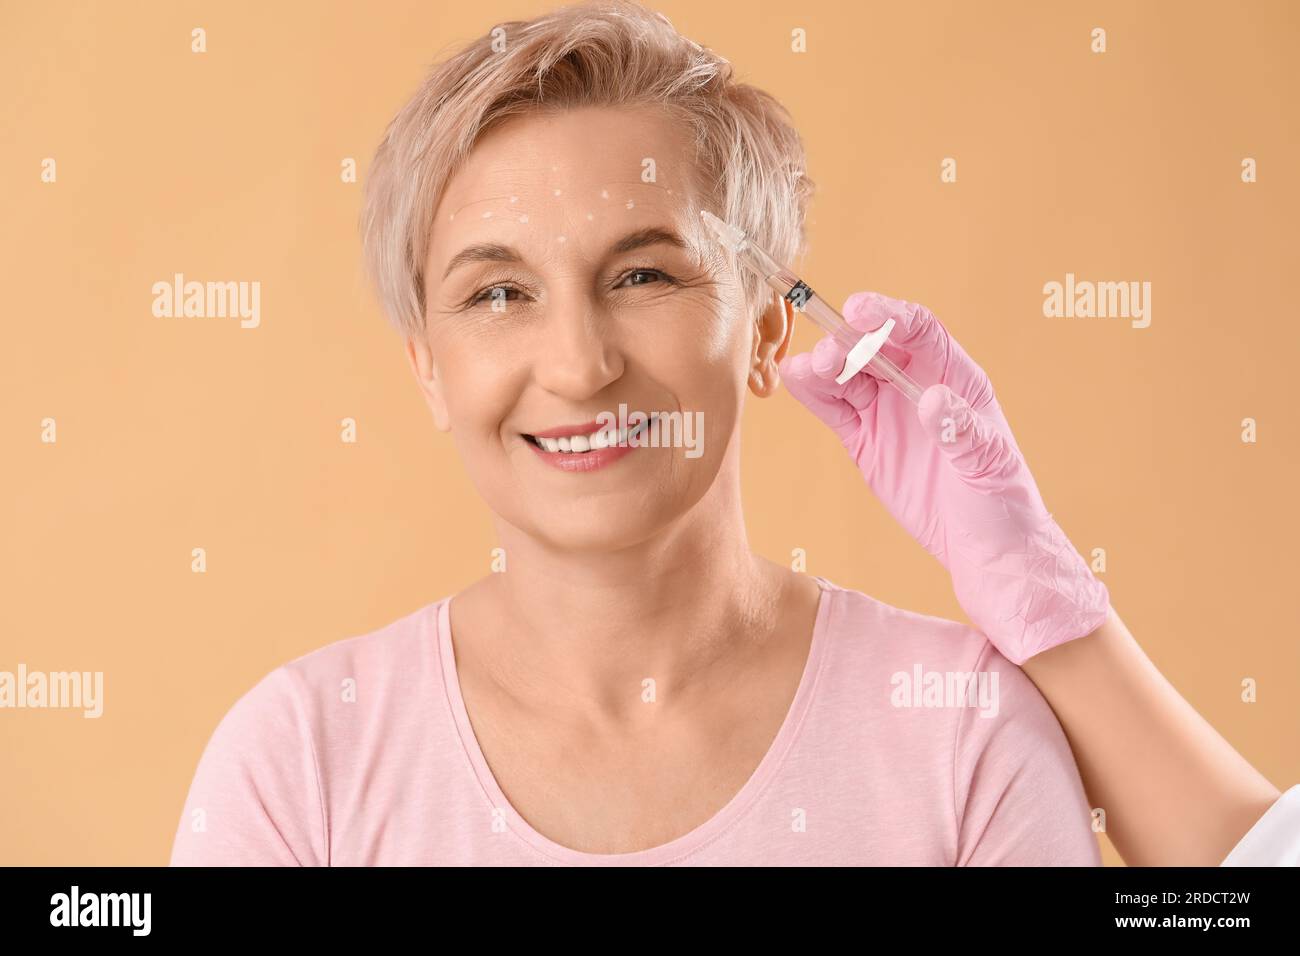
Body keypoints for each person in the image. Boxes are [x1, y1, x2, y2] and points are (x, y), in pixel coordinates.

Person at [169, 0, 1290, 866]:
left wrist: (1058, 622)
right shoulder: (300, 759)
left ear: (763, 328)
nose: (578, 365)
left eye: (643, 272)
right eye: (498, 294)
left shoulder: (961, 737)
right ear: (426, 365)